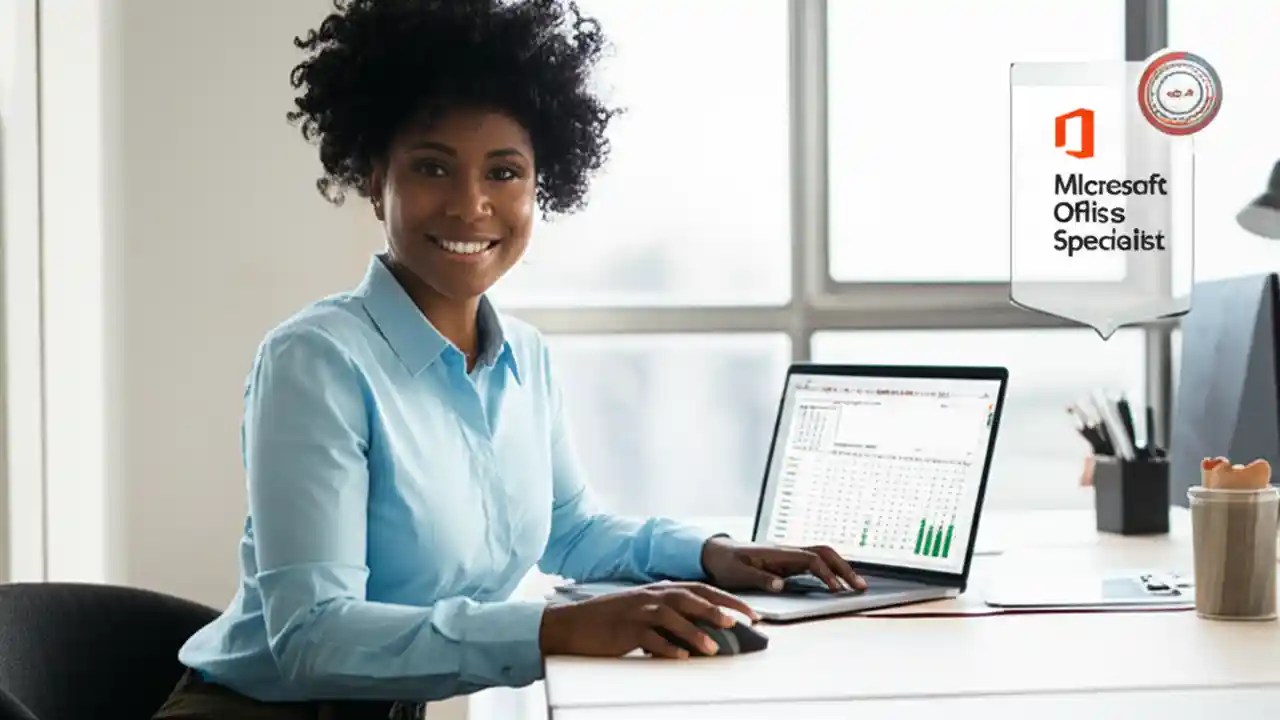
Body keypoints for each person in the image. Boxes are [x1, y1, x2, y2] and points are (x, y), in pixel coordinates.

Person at [153, 1, 864, 717]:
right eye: (433, 168)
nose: (470, 205)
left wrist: (716, 554)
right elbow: (313, 638)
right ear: (375, 179)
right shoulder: (317, 363)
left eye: (504, 172)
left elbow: (569, 530)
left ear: (538, 187)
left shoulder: (525, 355)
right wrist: (558, 627)